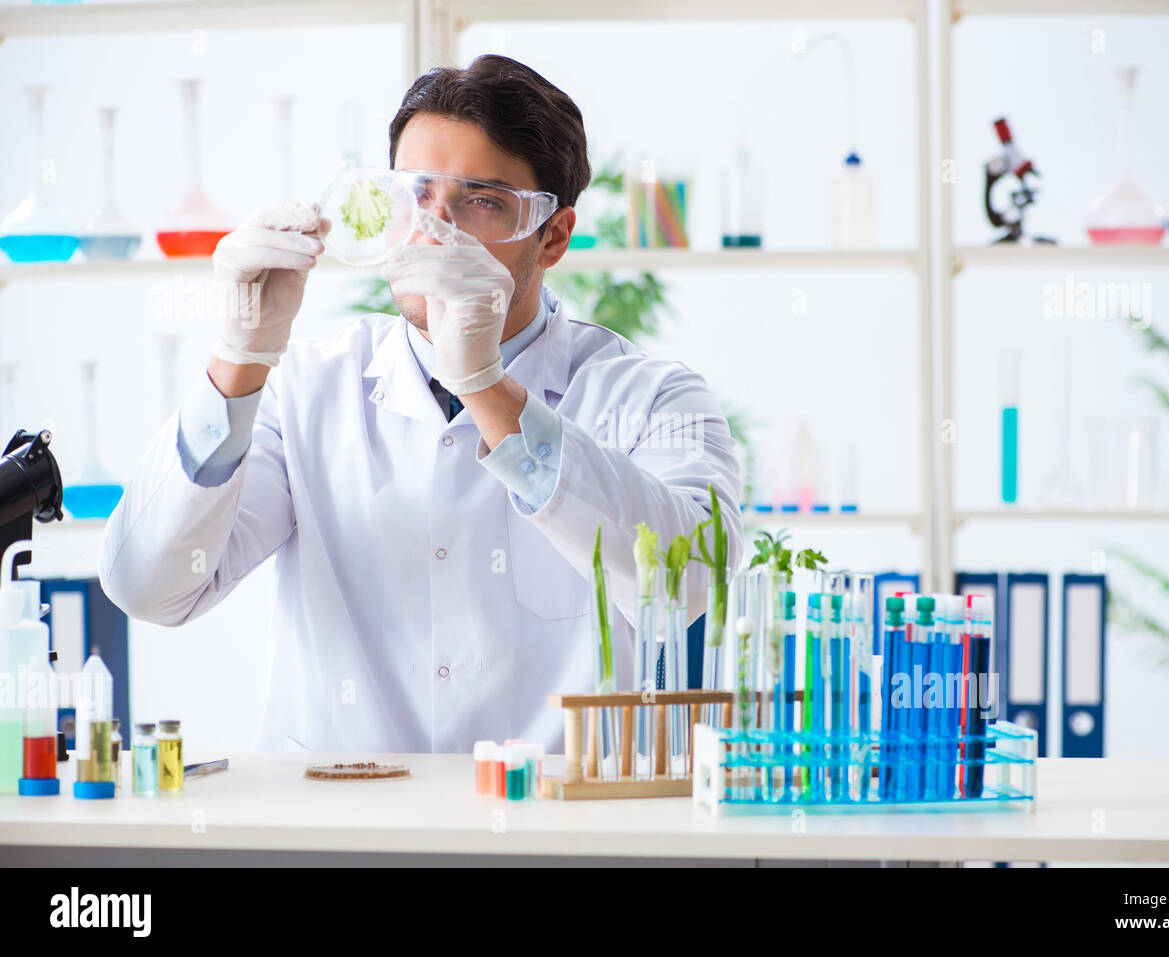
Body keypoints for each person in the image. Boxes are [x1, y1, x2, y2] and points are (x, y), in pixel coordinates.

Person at [99, 55, 741, 753]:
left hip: (549, 836)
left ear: (553, 236)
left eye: (482, 201)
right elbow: (149, 588)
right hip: (341, 835)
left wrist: (489, 389)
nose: (434, 229)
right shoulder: (308, 387)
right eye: (414, 195)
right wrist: (237, 359)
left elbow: (691, 585)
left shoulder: (650, 396)